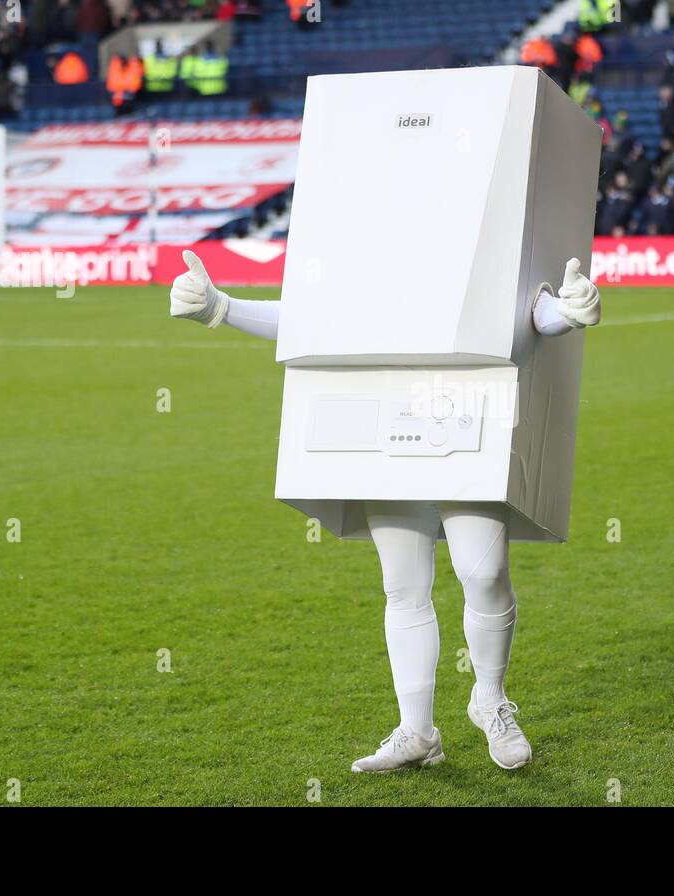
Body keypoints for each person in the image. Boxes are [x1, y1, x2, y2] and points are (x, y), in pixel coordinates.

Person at [166, 250, 602, 772]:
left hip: (467, 406)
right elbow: (319, 320)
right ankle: (417, 731)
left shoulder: (468, 210)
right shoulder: (367, 228)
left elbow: (511, 309)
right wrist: (221, 307)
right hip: (382, 411)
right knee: (403, 584)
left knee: (484, 570)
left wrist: (564, 312)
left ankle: (489, 700)